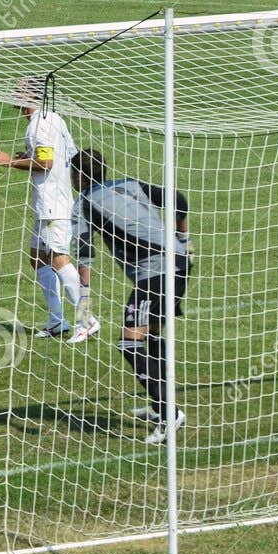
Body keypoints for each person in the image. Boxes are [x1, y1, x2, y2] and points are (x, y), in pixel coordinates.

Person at [71, 148, 191, 445]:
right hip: (180, 262)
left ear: (77, 176)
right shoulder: (129, 184)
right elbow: (178, 199)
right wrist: (185, 240)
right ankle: (160, 406)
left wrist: (84, 301)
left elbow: (85, 254)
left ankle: (169, 414)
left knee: (129, 342)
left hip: (155, 272)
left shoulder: (84, 203)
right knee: (152, 334)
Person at [0, 77, 96, 342]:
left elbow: (46, 162)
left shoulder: (38, 125)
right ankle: (56, 320)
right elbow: (68, 155)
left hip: (53, 205)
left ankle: (87, 320)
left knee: (58, 258)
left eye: (18, 91)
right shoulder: (55, 119)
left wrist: (11, 161)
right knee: (38, 258)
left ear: (30, 96)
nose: (13, 95)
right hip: (51, 202)